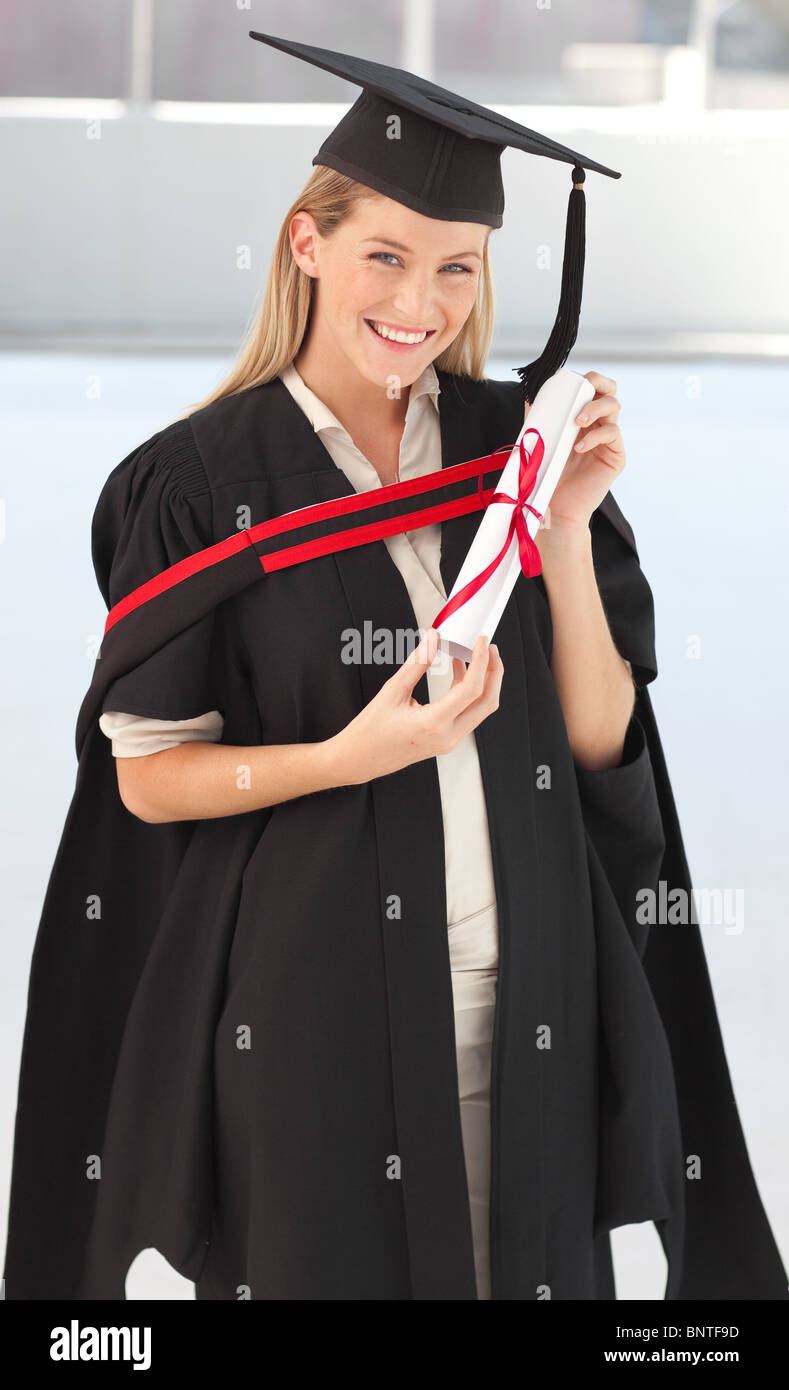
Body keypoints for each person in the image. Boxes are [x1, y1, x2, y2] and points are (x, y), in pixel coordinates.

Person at [4, 34, 787, 1302]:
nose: (419, 302)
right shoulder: (199, 484)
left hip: (533, 1004)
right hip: (316, 1026)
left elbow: (602, 747)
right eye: (384, 254)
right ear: (305, 245)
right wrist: (345, 758)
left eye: (456, 268)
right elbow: (149, 779)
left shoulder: (510, 454)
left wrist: (569, 529)